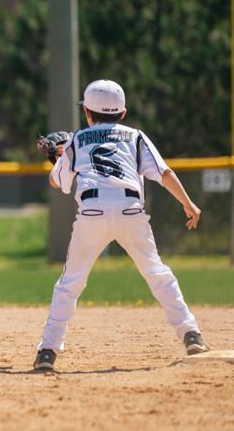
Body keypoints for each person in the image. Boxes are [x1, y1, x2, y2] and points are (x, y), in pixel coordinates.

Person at [33, 79, 208, 371]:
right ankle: (191, 334)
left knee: (70, 284)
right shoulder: (135, 136)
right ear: (123, 113)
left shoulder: (78, 139)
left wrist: (59, 159)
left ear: (88, 113)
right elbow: (164, 173)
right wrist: (188, 203)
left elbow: (59, 182)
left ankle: (48, 352)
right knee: (157, 273)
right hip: (130, 211)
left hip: (92, 212)